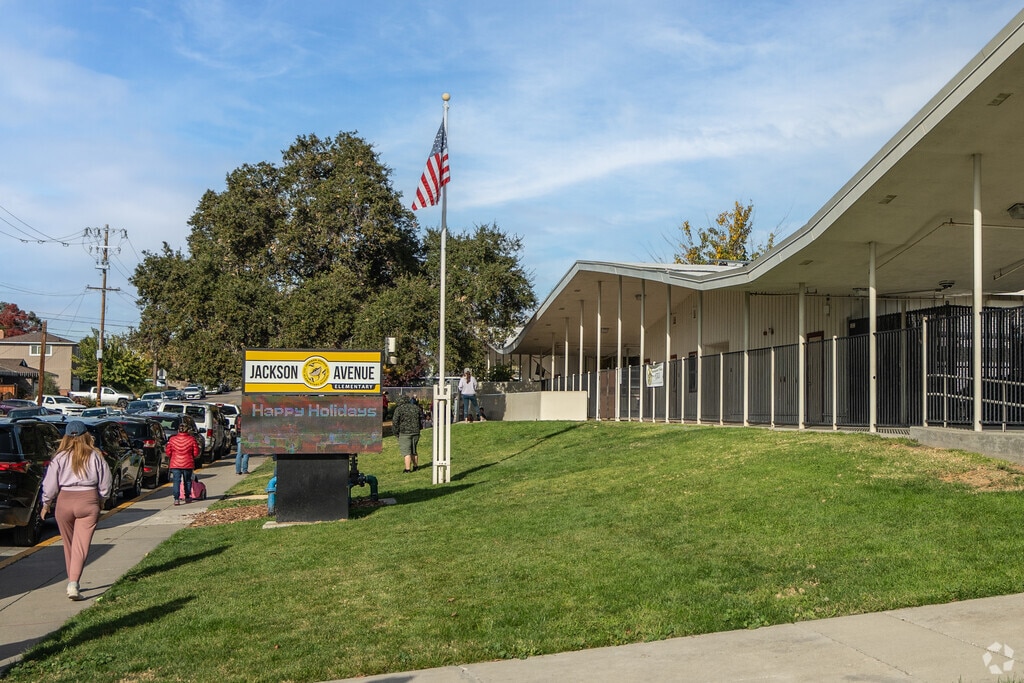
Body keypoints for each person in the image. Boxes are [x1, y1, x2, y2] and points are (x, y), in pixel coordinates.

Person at [40, 420, 112, 601]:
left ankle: (71, 580)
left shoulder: (59, 457)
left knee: (69, 545)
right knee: (81, 546)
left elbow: (49, 484)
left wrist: (46, 503)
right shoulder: (95, 456)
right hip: (88, 500)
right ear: (86, 436)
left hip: (64, 500)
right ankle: (73, 583)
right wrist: (102, 498)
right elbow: (106, 482)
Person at [166, 421, 200, 505]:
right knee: (187, 481)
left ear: (178, 430)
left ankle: (176, 499)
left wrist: (173, 456)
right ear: (187, 430)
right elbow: (196, 452)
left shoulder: (172, 439)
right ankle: (187, 497)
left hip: (175, 463)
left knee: (176, 481)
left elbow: (168, 452)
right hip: (188, 463)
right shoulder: (192, 439)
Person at [391, 395, 422, 473]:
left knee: (406, 452)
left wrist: (396, 433)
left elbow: (395, 422)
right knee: (414, 450)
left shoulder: (399, 409)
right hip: (416, 432)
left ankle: (407, 469)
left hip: (404, 433)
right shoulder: (416, 407)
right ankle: (415, 467)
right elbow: (421, 418)